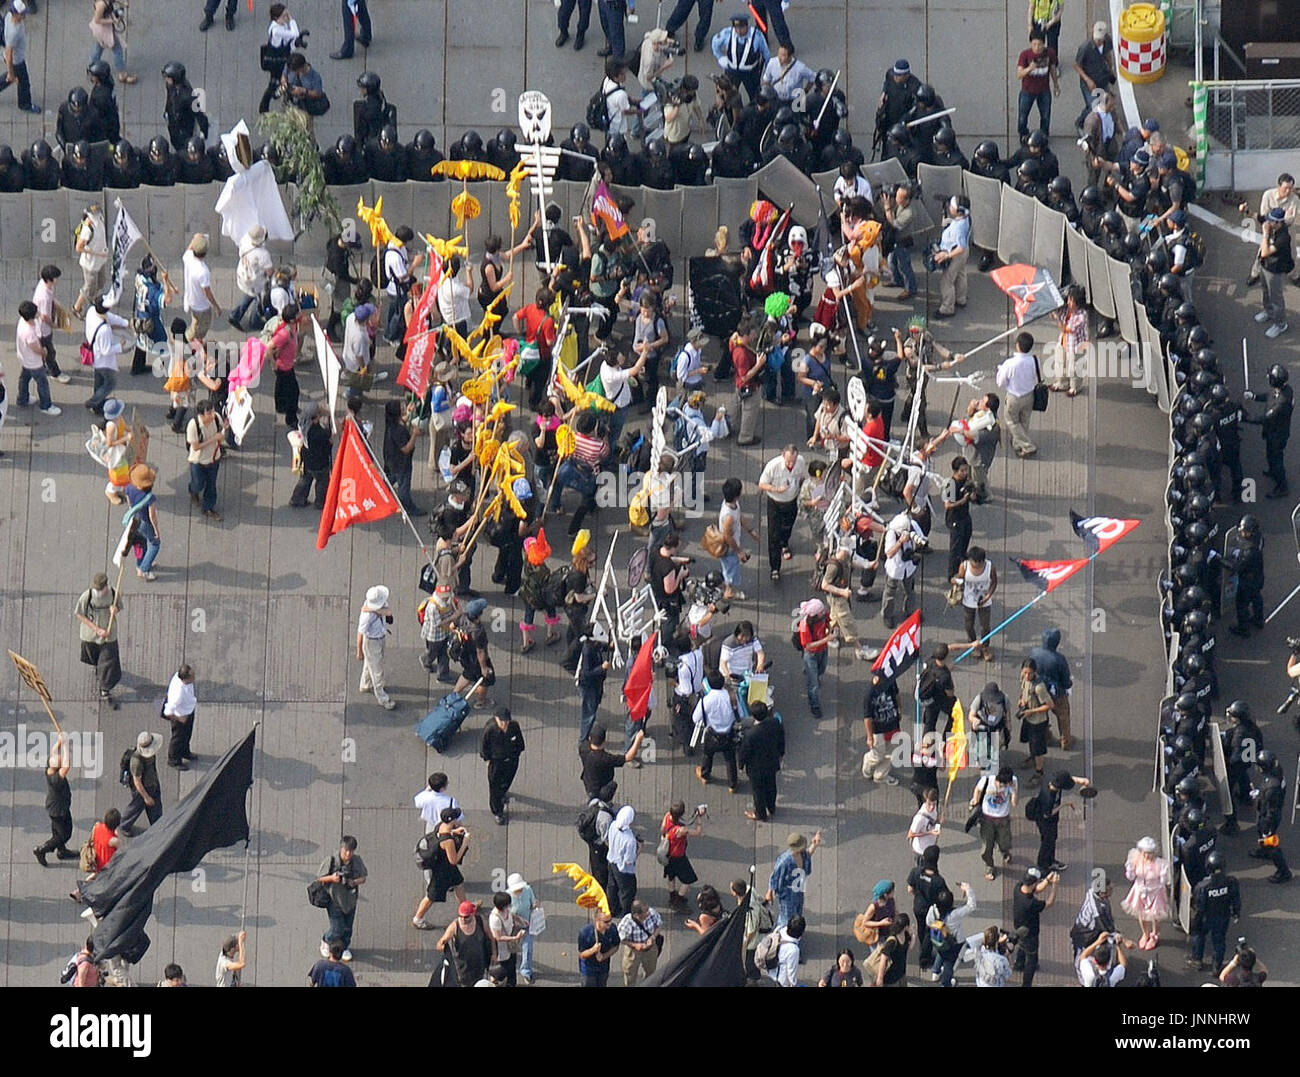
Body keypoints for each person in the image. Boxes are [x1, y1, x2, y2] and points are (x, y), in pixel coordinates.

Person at [757, 445, 807, 582]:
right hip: (775, 502)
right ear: (782, 455)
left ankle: (784, 543)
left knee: (788, 526)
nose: (791, 464)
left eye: (794, 461)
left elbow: (802, 478)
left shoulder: (801, 462)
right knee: (773, 535)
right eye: (788, 461)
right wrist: (776, 489)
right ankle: (775, 568)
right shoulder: (773, 466)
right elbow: (761, 484)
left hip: (792, 501)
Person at [74, 572, 123, 707]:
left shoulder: (113, 593)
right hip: (90, 636)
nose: (98, 592)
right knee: (94, 658)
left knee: (109, 660)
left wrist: (115, 610)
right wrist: (96, 629)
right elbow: (80, 615)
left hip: (109, 635)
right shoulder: (87, 596)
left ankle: (105, 688)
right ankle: (98, 668)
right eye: (97, 589)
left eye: (101, 589)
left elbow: (119, 606)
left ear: (106, 586)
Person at [414, 806, 469, 924]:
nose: (458, 820)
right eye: (456, 818)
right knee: (431, 896)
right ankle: (418, 919)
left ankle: (466, 908)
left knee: (458, 883)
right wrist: (464, 843)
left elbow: (444, 833)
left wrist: (454, 831)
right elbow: (453, 860)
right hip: (442, 871)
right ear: (452, 820)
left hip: (446, 867)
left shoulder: (441, 825)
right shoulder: (448, 841)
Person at [316, 835, 367, 962]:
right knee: (337, 927)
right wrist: (333, 878)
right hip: (334, 900)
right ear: (341, 848)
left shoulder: (356, 861)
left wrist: (354, 882)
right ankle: (326, 940)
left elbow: (363, 878)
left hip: (350, 900)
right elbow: (320, 878)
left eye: (351, 851)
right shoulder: (331, 860)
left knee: (348, 927)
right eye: (345, 851)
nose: (348, 854)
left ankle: (344, 947)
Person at [1187, 852, 1240, 972]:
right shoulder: (1231, 882)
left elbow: (1198, 906)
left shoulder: (1202, 886)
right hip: (1222, 916)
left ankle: (1197, 960)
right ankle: (1217, 966)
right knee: (1219, 940)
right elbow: (1236, 899)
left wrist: (1194, 922)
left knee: (1199, 936)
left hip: (1205, 918)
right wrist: (1236, 912)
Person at [738, 700, 785, 822]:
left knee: (758, 791)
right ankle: (771, 807)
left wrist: (741, 765)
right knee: (771, 785)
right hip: (772, 763)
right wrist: (781, 754)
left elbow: (744, 752)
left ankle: (761, 814)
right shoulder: (775, 723)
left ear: (753, 716)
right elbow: (781, 741)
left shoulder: (751, 734)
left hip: (756, 768)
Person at [1028, 627, 1074, 750]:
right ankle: (1065, 741)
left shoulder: (1034, 653)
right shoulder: (1059, 659)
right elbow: (1065, 680)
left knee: (1042, 715)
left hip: (1039, 691)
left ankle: (1046, 736)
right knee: (1063, 716)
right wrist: (1068, 685)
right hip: (1056, 693)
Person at [34, 733, 75, 866]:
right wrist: (66, 746)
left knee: (57, 830)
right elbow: (67, 765)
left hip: (54, 806)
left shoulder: (49, 767)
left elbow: (53, 752)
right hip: (59, 810)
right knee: (64, 834)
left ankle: (61, 851)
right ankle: (43, 849)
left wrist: (59, 742)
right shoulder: (56, 779)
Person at [996, 332, 1040, 458]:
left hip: (1014, 397)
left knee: (1012, 421)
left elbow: (1000, 382)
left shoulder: (1010, 364)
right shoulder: (1034, 360)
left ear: (1017, 345)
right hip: (1029, 395)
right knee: (1024, 420)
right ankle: (1017, 443)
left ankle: (1027, 446)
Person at [480, 707, 525, 826]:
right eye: (502, 721)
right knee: (494, 788)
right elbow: (484, 747)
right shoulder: (490, 729)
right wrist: (488, 760)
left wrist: (516, 753)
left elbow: (520, 742)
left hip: (511, 760)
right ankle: (497, 811)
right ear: (496, 719)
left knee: (508, 779)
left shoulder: (514, 726)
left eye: (506, 721)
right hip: (496, 762)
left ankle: (503, 792)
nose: (504, 724)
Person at [14, 300, 60, 416]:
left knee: (24, 378)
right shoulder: (29, 333)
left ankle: (22, 399)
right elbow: (36, 349)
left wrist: (40, 316)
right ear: (31, 316)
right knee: (42, 383)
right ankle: (46, 405)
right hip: (34, 362)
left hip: (24, 358)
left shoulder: (22, 322)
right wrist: (44, 352)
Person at [925, 883, 976, 987]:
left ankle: (935, 971)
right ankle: (946, 982)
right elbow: (972, 906)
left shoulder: (932, 910)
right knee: (949, 964)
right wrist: (968, 890)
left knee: (941, 951)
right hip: (953, 943)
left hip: (937, 939)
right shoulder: (954, 915)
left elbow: (928, 922)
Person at [767, 829, 820, 928]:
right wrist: (770, 891)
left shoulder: (802, 853)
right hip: (787, 893)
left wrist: (814, 845)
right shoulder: (784, 861)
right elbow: (775, 875)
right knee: (786, 916)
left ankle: (795, 929)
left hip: (798, 890)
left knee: (798, 912)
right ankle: (782, 932)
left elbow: (808, 854)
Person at [1012, 868, 1057, 986]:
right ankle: (1026, 984)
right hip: (1030, 933)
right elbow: (1049, 902)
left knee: (1022, 946)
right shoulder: (1031, 903)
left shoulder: (1018, 888)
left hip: (1019, 927)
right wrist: (1054, 885)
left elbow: (1035, 890)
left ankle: (1019, 964)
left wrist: (1047, 880)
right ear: (1033, 884)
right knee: (1032, 959)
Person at [712, 12, 768, 103]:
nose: (739, 31)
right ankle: (733, 115)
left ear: (747, 26)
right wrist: (720, 57)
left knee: (755, 96)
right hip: (732, 72)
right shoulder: (727, 33)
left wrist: (767, 74)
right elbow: (715, 44)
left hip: (750, 73)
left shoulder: (757, 36)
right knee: (728, 96)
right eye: (736, 28)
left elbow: (766, 55)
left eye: (741, 28)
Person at [85, 301, 128, 418]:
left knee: (99, 382)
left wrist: (126, 323)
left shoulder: (91, 311)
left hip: (95, 356)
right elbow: (106, 350)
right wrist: (120, 346)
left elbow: (110, 317)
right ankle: (94, 401)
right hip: (104, 362)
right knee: (110, 383)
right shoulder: (104, 330)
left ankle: (97, 405)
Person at [356, 584, 395, 710]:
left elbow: (389, 612)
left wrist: (374, 610)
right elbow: (360, 634)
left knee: (370, 663)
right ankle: (382, 697)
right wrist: (359, 651)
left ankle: (365, 684)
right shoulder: (366, 617)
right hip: (371, 641)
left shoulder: (374, 607)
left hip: (380, 637)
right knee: (377, 671)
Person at [954, 547, 997, 661]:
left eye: (979, 564)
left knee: (985, 626)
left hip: (984, 601)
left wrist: (988, 596)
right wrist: (955, 582)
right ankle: (973, 645)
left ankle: (985, 646)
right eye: (974, 564)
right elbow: (959, 579)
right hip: (968, 600)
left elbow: (994, 582)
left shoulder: (990, 567)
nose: (977, 566)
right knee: (969, 625)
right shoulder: (964, 566)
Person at [435, 901, 492, 988]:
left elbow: (490, 936)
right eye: (460, 916)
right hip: (463, 966)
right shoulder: (455, 926)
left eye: (466, 917)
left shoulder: (480, 921)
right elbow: (440, 943)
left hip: (480, 962)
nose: (462, 919)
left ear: (472, 914)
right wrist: (443, 948)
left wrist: (494, 953)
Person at [1016, 29, 1059, 142]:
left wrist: (1056, 85)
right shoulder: (1025, 55)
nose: (1037, 47)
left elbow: (1053, 69)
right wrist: (1030, 68)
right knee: (1022, 116)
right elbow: (1019, 74)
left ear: (1044, 44)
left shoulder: (1050, 53)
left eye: (1039, 44)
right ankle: (1023, 134)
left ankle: (1044, 135)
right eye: (1034, 44)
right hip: (1027, 91)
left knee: (1045, 116)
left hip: (1044, 90)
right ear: (1031, 44)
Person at [1256, 207, 1292, 339]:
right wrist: (1247, 211)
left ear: (1278, 223)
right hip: (1265, 265)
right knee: (1265, 291)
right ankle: (1268, 311)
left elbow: (1265, 252)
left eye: (1271, 222)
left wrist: (1265, 234)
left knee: (1276, 297)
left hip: (1275, 269)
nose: (1267, 223)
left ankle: (1280, 324)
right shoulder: (1271, 225)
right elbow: (1259, 217)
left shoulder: (1283, 237)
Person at [185, 399, 225, 521]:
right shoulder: (193, 425)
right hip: (198, 461)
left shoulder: (217, 418)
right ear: (201, 414)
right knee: (198, 484)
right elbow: (195, 447)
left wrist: (222, 434)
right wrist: (214, 439)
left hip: (214, 458)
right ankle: (193, 490)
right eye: (209, 413)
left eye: (213, 411)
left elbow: (221, 433)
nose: (213, 415)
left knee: (211, 485)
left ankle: (208, 507)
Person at [660, 801, 704, 909]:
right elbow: (698, 832)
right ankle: (678, 901)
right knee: (688, 879)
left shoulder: (667, 816)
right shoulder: (681, 830)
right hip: (679, 857)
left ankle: (672, 896)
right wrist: (699, 817)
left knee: (671, 876)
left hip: (668, 855)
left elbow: (662, 830)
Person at [1073, 20, 1116, 129]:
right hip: (1089, 83)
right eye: (1096, 39)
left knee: (1106, 102)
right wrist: (1087, 80)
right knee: (1093, 106)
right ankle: (1081, 122)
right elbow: (1077, 66)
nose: (1098, 42)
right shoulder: (1085, 47)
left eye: (1100, 39)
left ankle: (1105, 124)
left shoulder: (1107, 41)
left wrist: (1110, 68)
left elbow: (1107, 54)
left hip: (1102, 78)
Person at [932, 196, 970, 319]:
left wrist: (946, 255)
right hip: (962, 255)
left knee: (947, 280)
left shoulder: (959, 228)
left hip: (955, 254)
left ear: (958, 211)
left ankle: (947, 308)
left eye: (952, 206)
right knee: (961, 274)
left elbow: (961, 247)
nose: (950, 207)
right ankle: (961, 298)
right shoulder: (965, 218)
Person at [1, 2, 41, 115]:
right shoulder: (13, 33)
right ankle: (25, 104)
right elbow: (9, 55)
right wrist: (11, 73)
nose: (24, 16)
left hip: (14, 59)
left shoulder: (9, 16)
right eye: (22, 14)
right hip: (16, 60)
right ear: (15, 14)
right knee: (24, 83)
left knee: (9, 78)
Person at [290, 404, 332, 509]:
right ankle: (320, 503)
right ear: (314, 419)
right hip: (319, 463)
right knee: (322, 483)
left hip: (307, 459)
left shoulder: (303, 426)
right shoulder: (319, 433)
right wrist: (330, 442)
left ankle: (297, 499)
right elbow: (326, 445)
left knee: (305, 480)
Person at [120, 731, 163, 833]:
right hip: (143, 788)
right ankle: (124, 824)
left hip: (152, 783)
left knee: (155, 805)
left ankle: (157, 824)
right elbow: (137, 782)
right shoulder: (136, 762)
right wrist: (146, 797)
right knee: (136, 807)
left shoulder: (148, 755)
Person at [605, 805, 640, 918]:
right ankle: (626, 914)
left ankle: (612, 908)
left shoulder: (613, 825)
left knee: (612, 886)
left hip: (611, 861)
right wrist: (639, 849)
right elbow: (629, 860)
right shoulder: (630, 840)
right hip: (623, 869)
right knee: (627, 892)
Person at [506, 873, 541, 985]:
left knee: (527, 948)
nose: (519, 891)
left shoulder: (528, 890)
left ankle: (526, 971)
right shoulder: (507, 896)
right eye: (517, 889)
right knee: (511, 949)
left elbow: (532, 903)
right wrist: (517, 919)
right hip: (512, 927)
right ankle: (509, 970)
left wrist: (535, 904)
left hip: (527, 925)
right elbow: (505, 913)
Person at [617, 899, 662, 986]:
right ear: (637, 915)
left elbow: (659, 925)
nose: (648, 913)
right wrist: (635, 945)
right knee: (630, 973)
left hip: (650, 949)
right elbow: (621, 939)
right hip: (633, 951)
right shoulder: (626, 923)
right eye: (646, 912)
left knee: (651, 971)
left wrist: (653, 937)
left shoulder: (652, 913)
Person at [162, 663, 198, 769]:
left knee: (187, 735)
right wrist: (179, 718)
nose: (194, 677)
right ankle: (173, 760)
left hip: (188, 711)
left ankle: (185, 752)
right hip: (180, 717)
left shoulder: (181, 677)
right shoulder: (178, 694)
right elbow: (167, 712)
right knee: (177, 739)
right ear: (186, 679)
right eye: (192, 676)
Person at [487, 891, 527, 986]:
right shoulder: (495, 919)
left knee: (512, 964)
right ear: (501, 906)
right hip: (501, 947)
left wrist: (519, 919)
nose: (510, 906)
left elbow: (511, 915)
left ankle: (511, 982)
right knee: (505, 967)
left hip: (509, 944)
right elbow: (498, 937)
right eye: (508, 905)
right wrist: (514, 938)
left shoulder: (506, 910)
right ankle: (495, 976)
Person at [577, 909, 620, 987]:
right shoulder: (585, 932)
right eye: (606, 922)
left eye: (610, 920)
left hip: (604, 968)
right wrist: (592, 950)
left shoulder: (612, 929)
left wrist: (604, 956)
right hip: (588, 969)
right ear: (597, 920)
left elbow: (616, 946)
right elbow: (581, 954)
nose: (609, 924)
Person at [766, 914, 805, 986]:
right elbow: (791, 971)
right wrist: (793, 984)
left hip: (771, 969)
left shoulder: (779, 930)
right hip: (781, 977)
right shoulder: (793, 950)